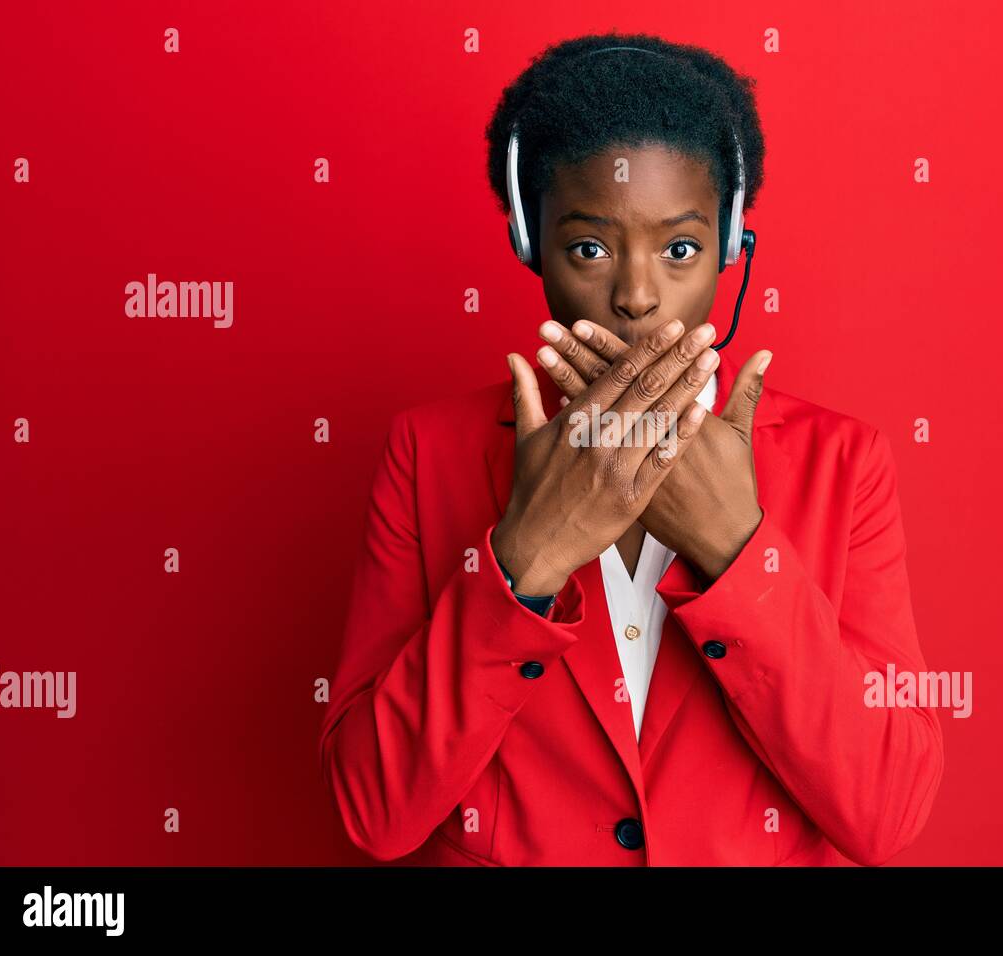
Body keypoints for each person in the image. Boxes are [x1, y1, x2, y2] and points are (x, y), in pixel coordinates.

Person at [319, 31, 944, 866]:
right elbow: (374, 811)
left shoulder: (845, 464)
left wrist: (737, 550)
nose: (637, 296)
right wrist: (525, 560)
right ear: (527, 245)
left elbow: (887, 812)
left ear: (730, 248)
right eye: (589, 248)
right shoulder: (426, 454)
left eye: (680, 249)